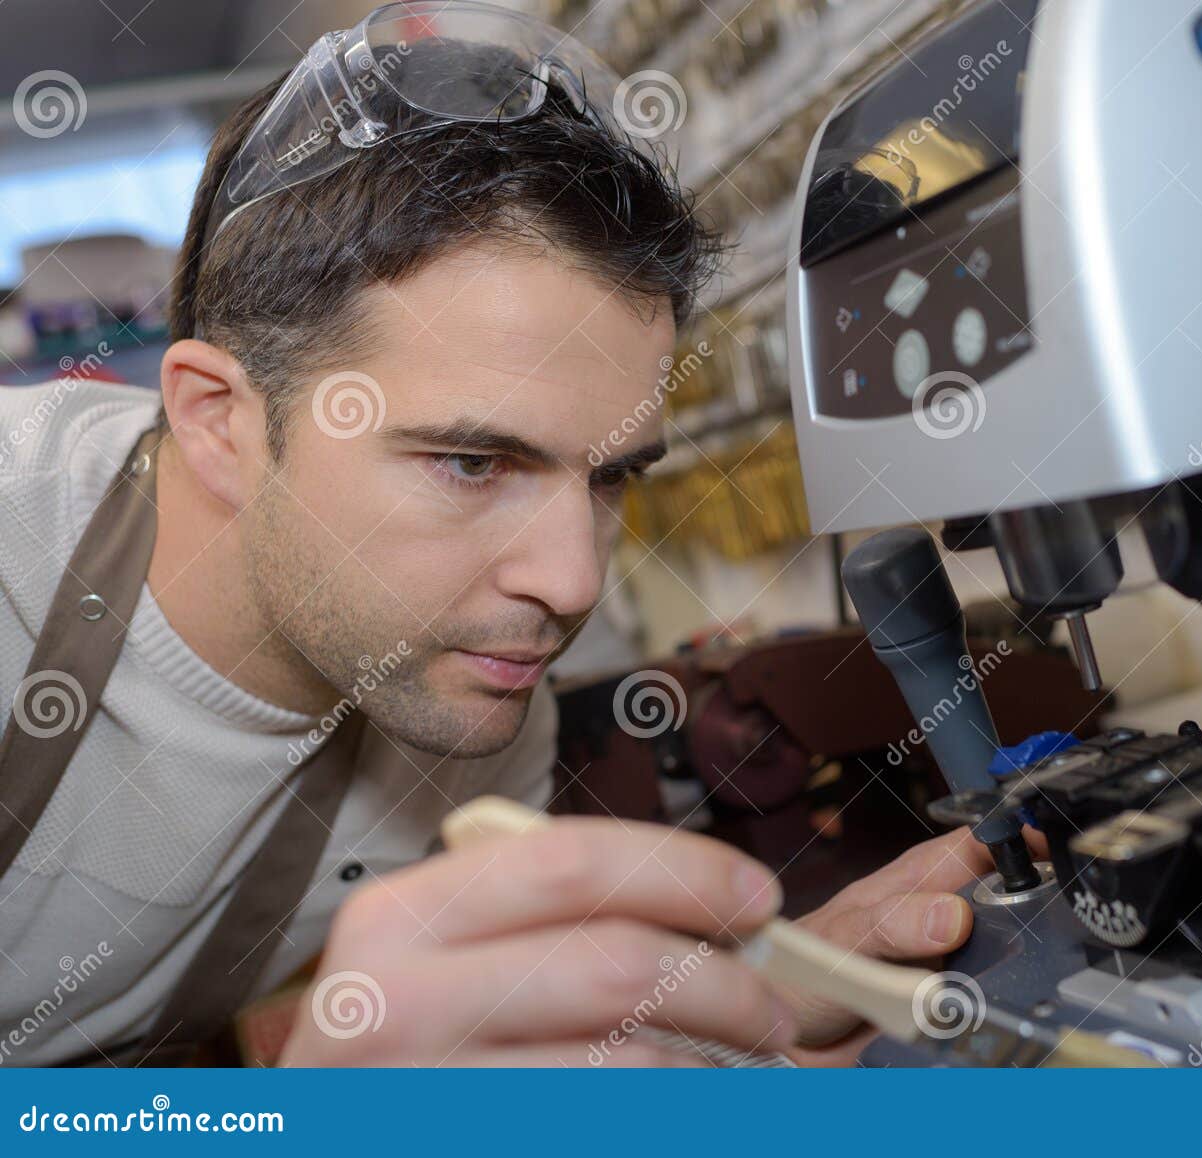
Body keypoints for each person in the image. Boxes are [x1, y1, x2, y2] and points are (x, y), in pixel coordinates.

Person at [0, 2, 1006, 1067]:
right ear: (218, 423)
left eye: (611, 476)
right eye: (472, 463)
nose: (570, 585)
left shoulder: (470, 704)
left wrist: (761, 1015)